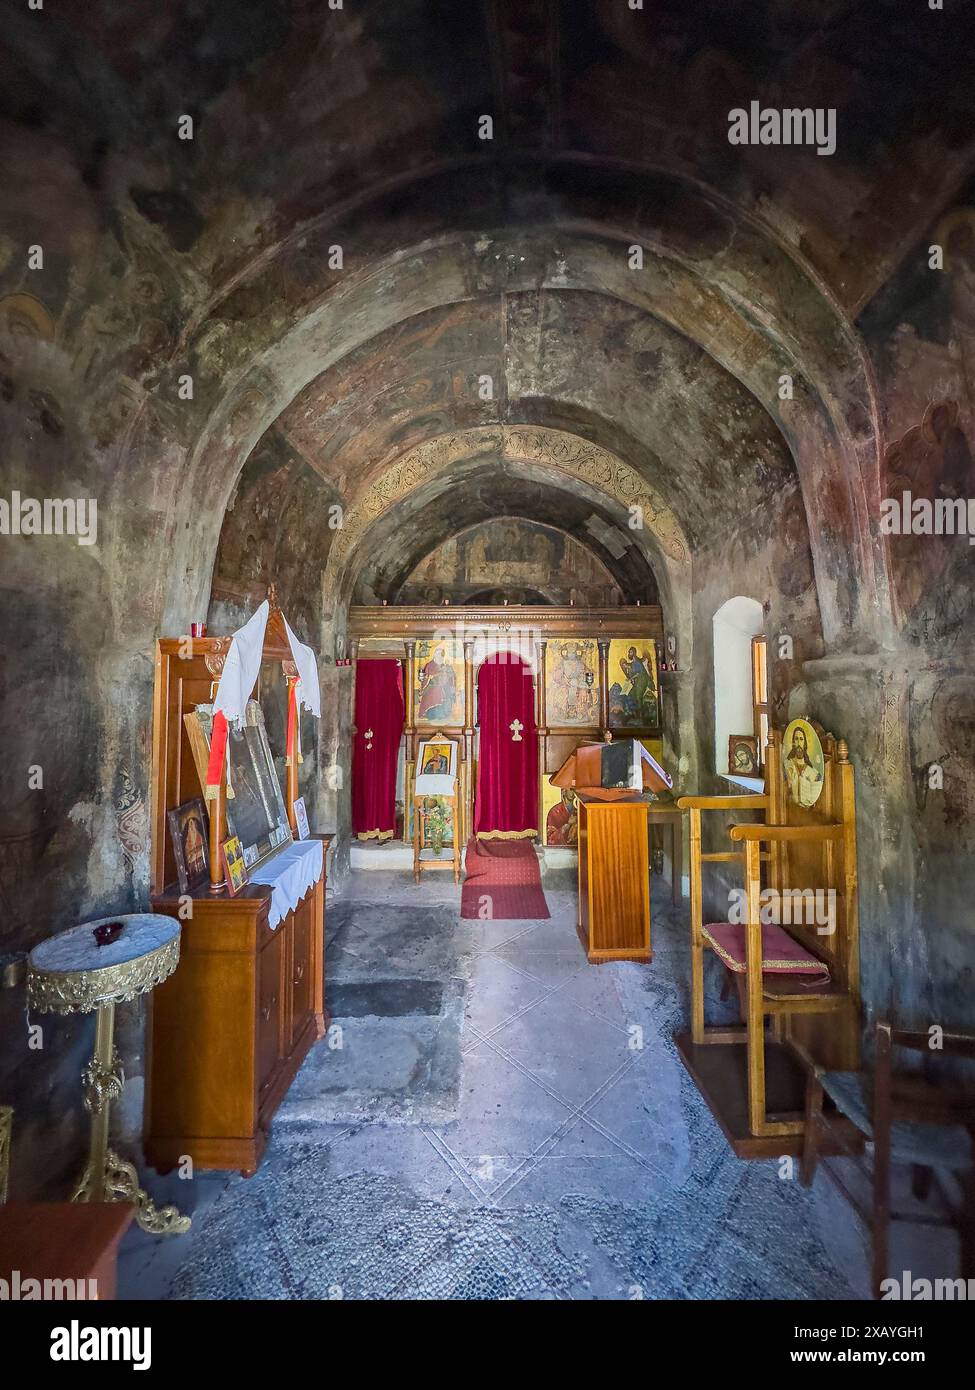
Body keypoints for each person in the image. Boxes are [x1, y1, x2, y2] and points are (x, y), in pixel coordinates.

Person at [785, 724, 823, 808]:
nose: (799, 743)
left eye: (801, 739)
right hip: (789, 808)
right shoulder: (787, 764)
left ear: (805, 743)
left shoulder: (813, 772)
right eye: (796, 739)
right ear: (793, 742)